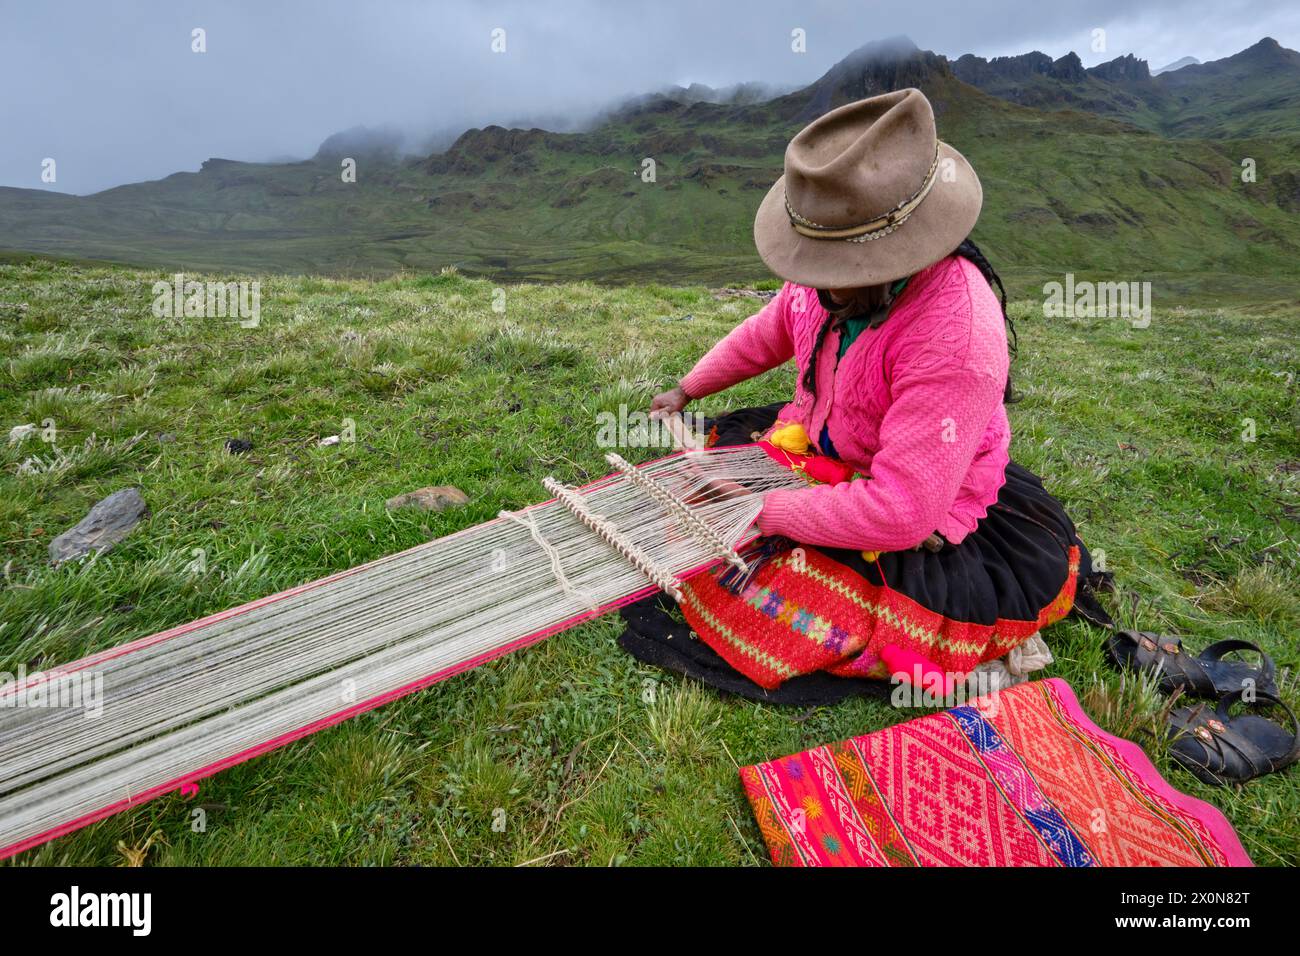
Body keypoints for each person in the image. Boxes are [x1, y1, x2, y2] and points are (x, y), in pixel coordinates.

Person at [620, 87, 1113, 704]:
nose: (818, 286)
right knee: (698, 492)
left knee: (777, 598)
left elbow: (903, 511)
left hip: (916, 502)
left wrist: (757, 511)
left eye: (837, 272)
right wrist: (688, 387)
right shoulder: (824, 281)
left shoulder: (956, 334)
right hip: (827, 447)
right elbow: (773, 327)